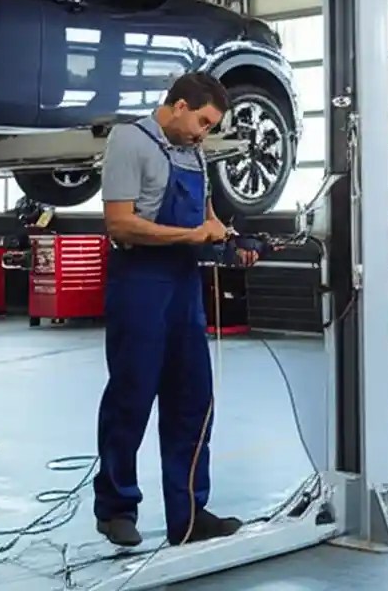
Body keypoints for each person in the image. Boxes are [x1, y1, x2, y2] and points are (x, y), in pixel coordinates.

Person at [93, 72, 259, 548]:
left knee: (193, 401)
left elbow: (206, 217)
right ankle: (116, 509)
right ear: (181, 106)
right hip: (139, 283)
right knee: (131, 397)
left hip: (184, 285)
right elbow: (120, 224)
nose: (204, 133)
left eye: (211, 127)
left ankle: (188, 516)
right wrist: (192, 235)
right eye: (203, 122)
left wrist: (229, 240)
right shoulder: (130, 141)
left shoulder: (194, 153)